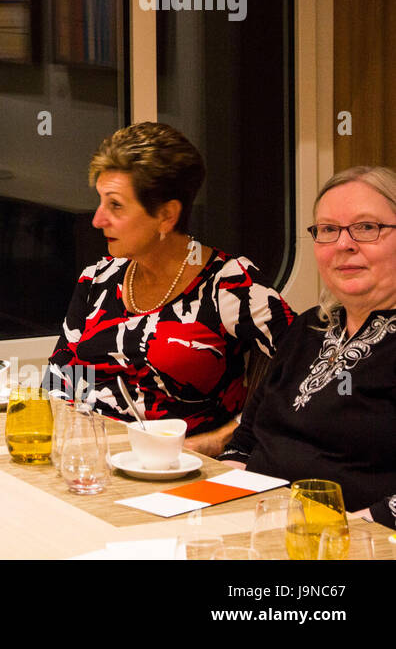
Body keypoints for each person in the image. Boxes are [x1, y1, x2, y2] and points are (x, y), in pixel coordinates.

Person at [48, 122, 293, 455]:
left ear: (166, 215)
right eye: (101, 202)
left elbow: (307, 370)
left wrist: (225, 438)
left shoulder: (230, 283)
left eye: (116, 205)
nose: (97, 219)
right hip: (95, 461)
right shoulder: (97, 279)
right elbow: (58, 381)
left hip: (185, 470)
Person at [219, 167, 396, 528]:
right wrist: (216, 506)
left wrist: (344, 532)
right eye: (328, 229)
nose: (344, 244)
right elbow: (246, 441)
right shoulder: (309, 326)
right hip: (255, 520)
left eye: (367, 227)